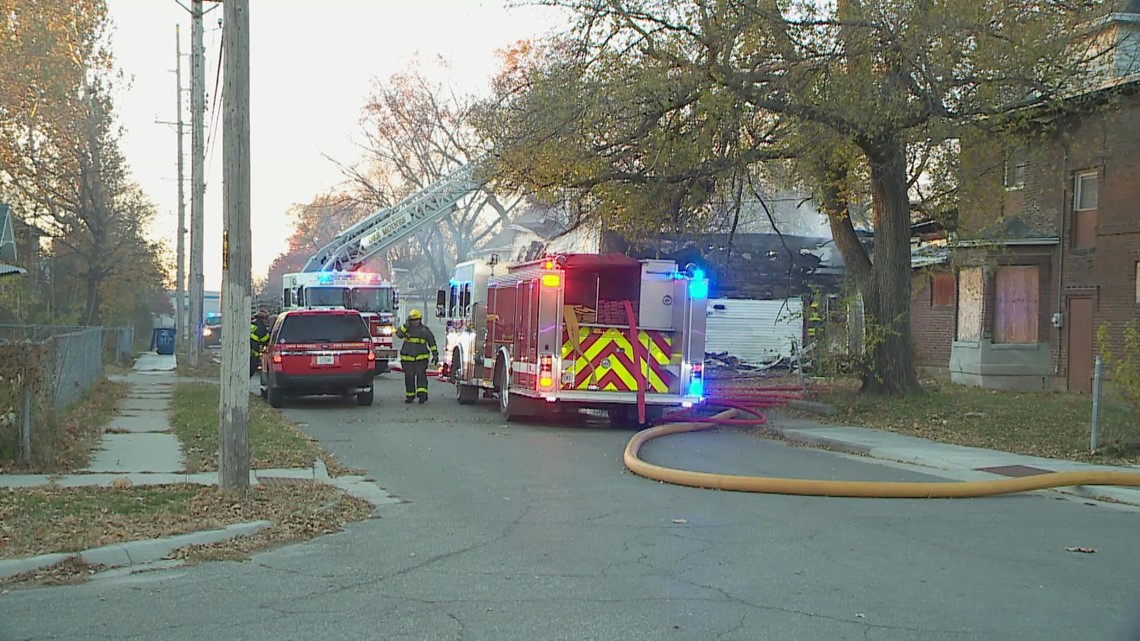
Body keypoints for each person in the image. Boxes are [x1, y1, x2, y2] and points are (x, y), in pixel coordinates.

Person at [396, 308, 438, 403]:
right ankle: (410, 396)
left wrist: (435, 354)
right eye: (414, 320)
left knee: (421, 375)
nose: (416, 322)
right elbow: (399, 334)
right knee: (409, 377)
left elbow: (432, 342)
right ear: (410, 320)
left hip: (421, 359)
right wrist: (405, 326)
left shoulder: (425, 330)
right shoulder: (406, 329)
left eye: (417, 319)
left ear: (420, 319)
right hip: (408, 359)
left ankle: (422, 395)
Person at [250, 308, 271, 377]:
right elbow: (265, 340)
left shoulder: (251, 323)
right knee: (251, 370)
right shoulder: (261, 327)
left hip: (244, 352)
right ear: (263, 318)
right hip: (253, 353)